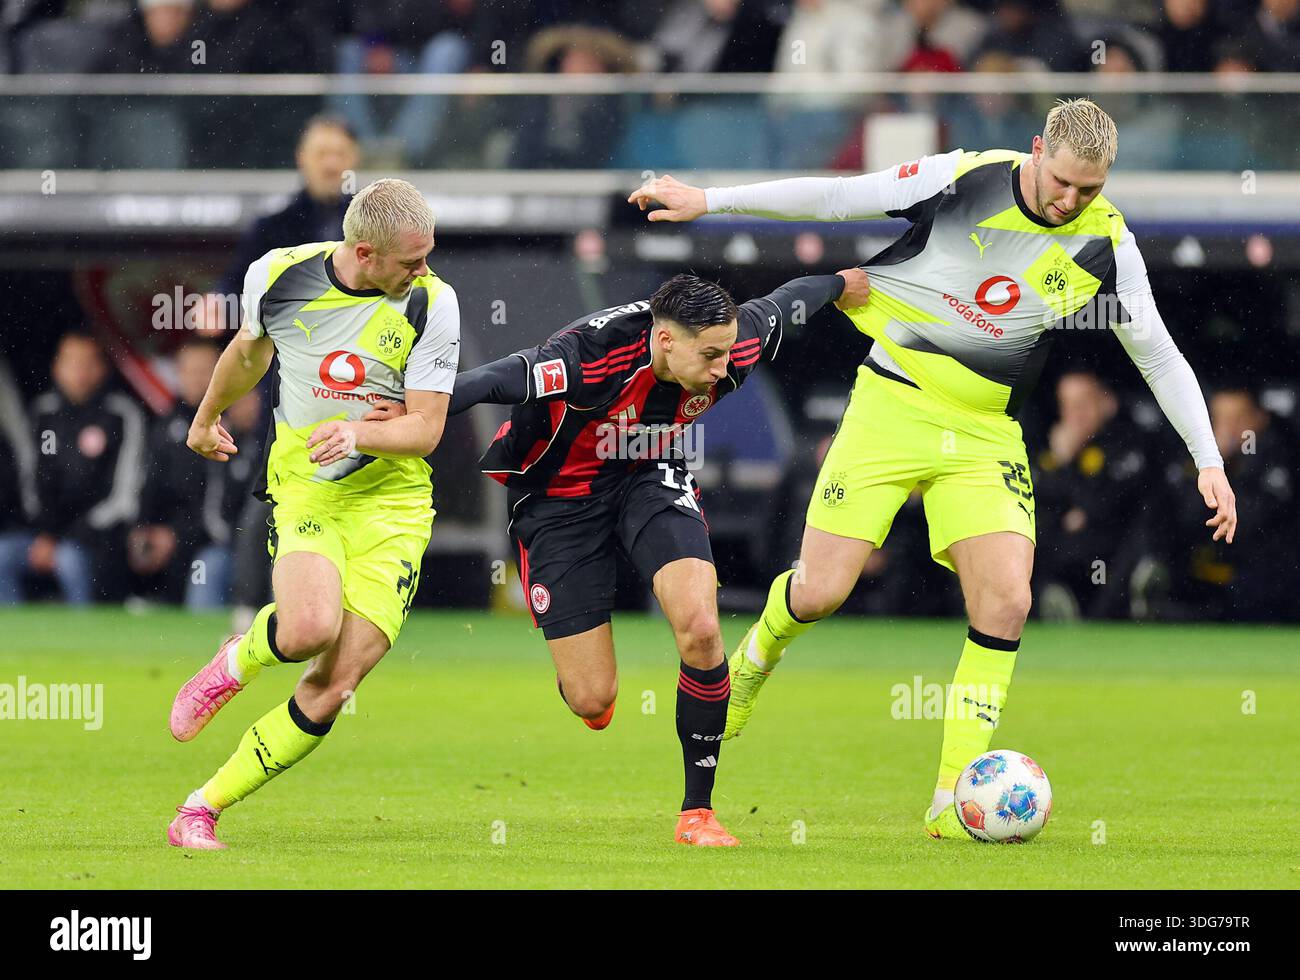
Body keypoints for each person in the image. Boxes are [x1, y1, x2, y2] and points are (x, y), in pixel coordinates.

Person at [628, 98, 1237, 840]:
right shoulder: (963, 178)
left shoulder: (1109, 244)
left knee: (1007, 603)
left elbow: (1160, 356)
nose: (1072, 200)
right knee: (820, 593)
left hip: (984, 433)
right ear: (1037, 148)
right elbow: (837, 197)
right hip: (893, 402)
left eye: (1092, 188)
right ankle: (754, 657)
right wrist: (710, 201)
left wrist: (1208, 459)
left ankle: (953, 799)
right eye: (1065, 183)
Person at [445, 267, 872, 846]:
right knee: (593, 701)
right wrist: (408, 413)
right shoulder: (589, 355)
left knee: (700, 629)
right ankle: (578, 679)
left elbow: (785, 300)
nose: (724, 369)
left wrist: (842, 280)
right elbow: (493, 380)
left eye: (727, 353)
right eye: (711, 356)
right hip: (558, 501)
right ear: (666, 340)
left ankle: (698, 812)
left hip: (649, 476)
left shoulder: (734, 340)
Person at [164, 178, 461, 850]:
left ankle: (200, 809)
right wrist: (206, 417)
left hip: (394, 504)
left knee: (334, 680)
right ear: (363, 252)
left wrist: (360, 433)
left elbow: (426, 430)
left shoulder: (433, 303)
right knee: (305, 630)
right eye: (411, 260)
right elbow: (247, 354)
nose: (424, 270)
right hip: (308, 487)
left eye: (428, 255)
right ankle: (237, 660)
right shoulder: (278, 274)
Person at [0, 333, 146, 605]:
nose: (79, 372)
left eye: (87, 363)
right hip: (45, 535)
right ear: (56, 367)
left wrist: (66, 537)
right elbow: (30, 479)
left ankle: (87, 637)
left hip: (98, 538)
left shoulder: (121, 414)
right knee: (3, 556)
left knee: (69, 559)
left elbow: (123, 499)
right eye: (71, 363)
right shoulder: (43, 413)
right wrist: (45, 534)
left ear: (102, 368)